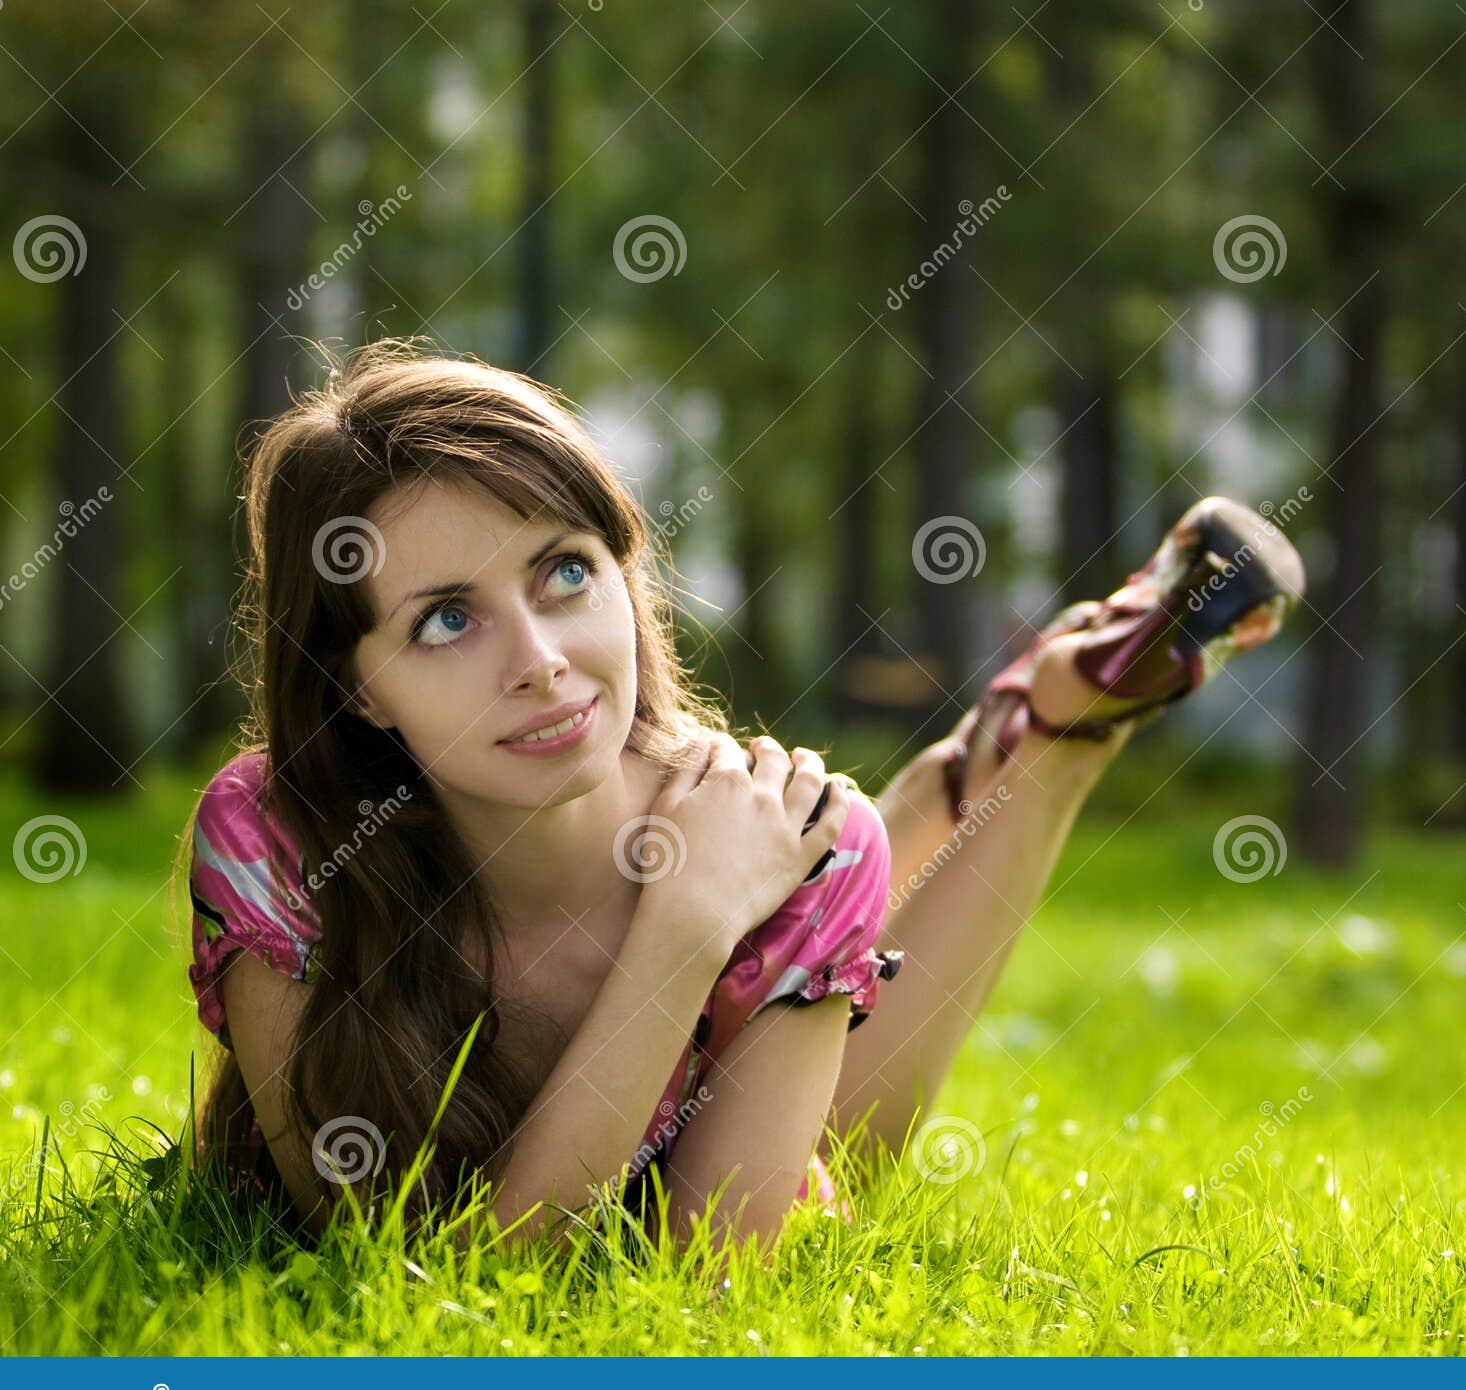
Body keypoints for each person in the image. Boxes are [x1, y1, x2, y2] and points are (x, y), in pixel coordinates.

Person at [179, 338, 1303, 1256]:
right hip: (716, 894)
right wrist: (687, 921)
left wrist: (722, 905)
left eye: (565, 571)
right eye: (446, 619)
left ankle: (1060, 728)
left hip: (762, 952)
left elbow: (709, 1272)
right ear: (357, 688)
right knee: (811, 859)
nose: (542, 661)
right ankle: (1023, 717)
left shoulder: (764, 829)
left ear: (625, 572)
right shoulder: (275, 842)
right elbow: (414, 1283)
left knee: (833, 883)